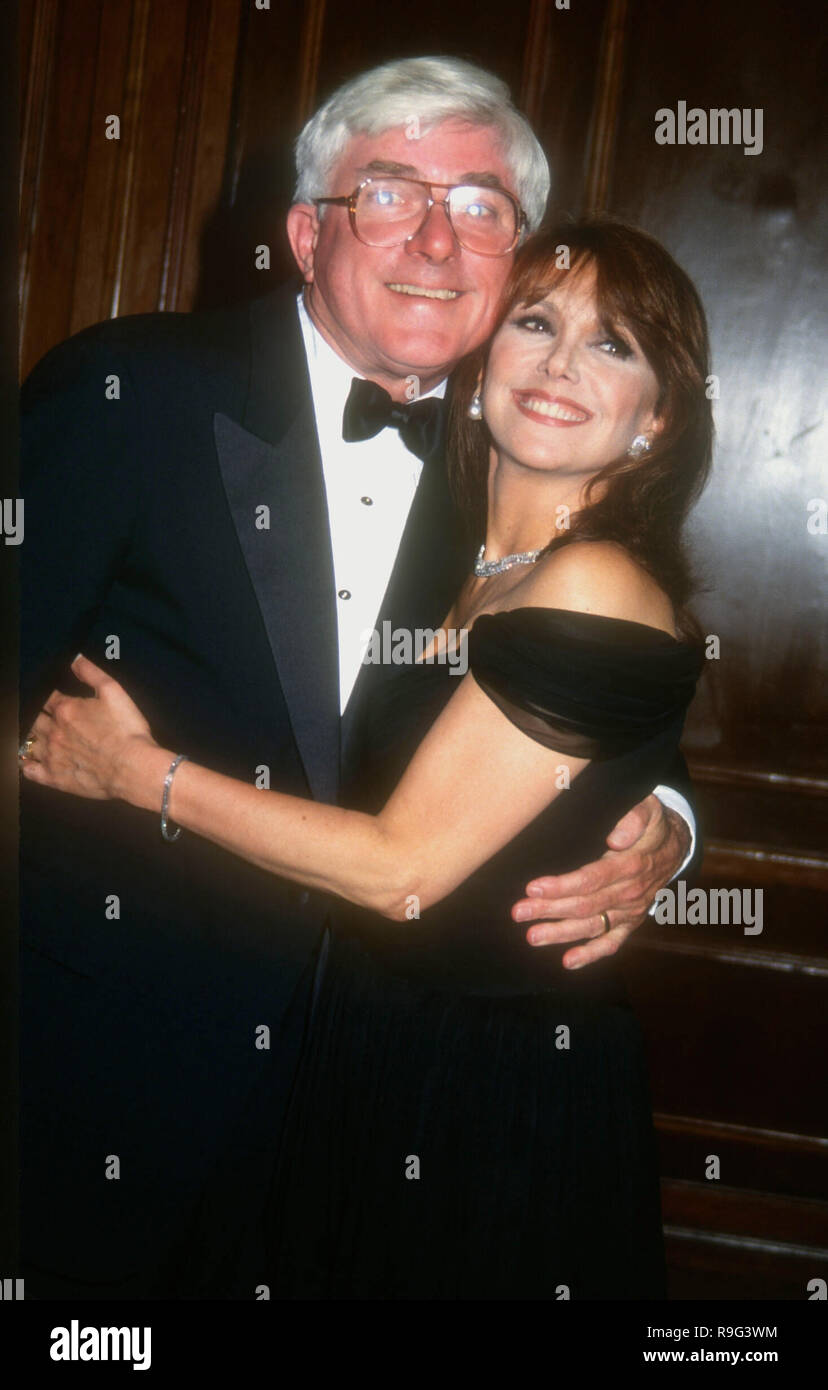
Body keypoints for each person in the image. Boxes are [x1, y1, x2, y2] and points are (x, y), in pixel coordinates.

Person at [18, 57, 697, 1299]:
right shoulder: (132, 391)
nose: (438, 237)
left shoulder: (510, 459)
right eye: (389, 191)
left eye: (482, 204)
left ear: (517, 253)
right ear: (301, 233)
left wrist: (666, 827)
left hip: (372, 1083)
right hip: (108, 1053)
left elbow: (597, 699)